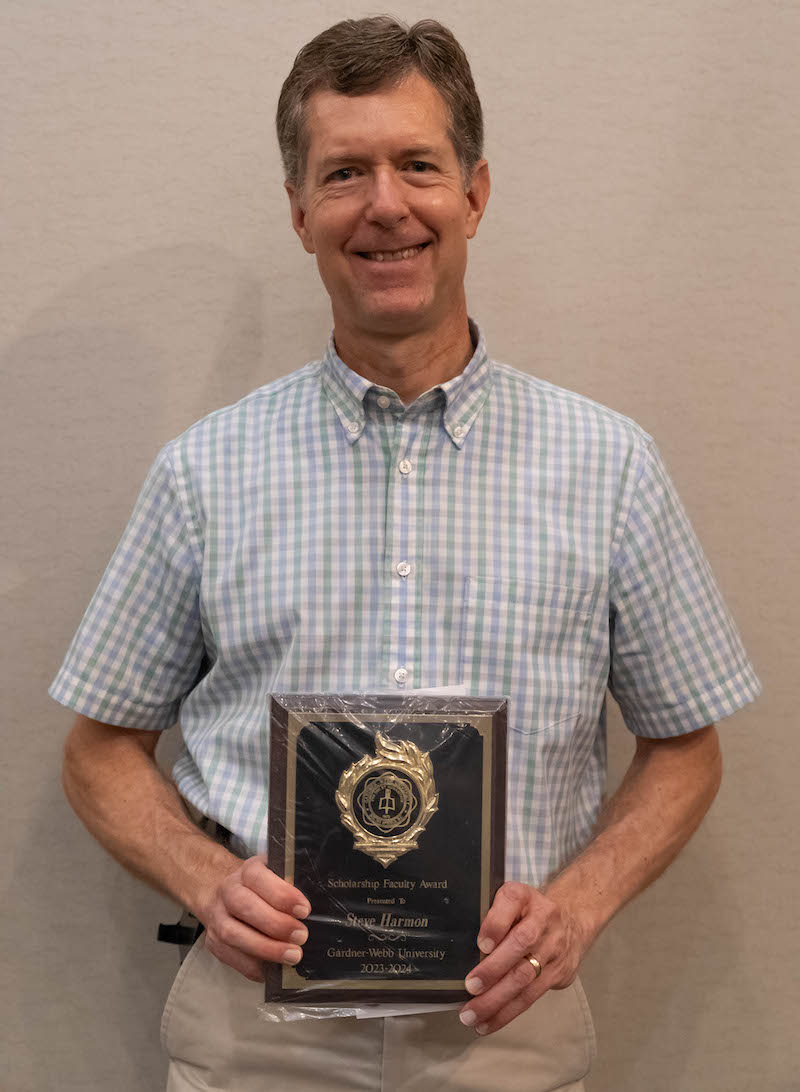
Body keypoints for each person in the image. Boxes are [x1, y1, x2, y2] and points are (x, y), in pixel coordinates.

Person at [50, 16, 761, 1092]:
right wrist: (204, 880)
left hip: (503, 1030)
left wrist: (575, 907)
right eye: (344, 172)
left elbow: (684, 747)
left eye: (415, 165)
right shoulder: (204, 472)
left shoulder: (608, 465)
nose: (384, 204)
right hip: (258, 1033)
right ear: (300, 213)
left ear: (473, 193)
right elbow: (97, 749)